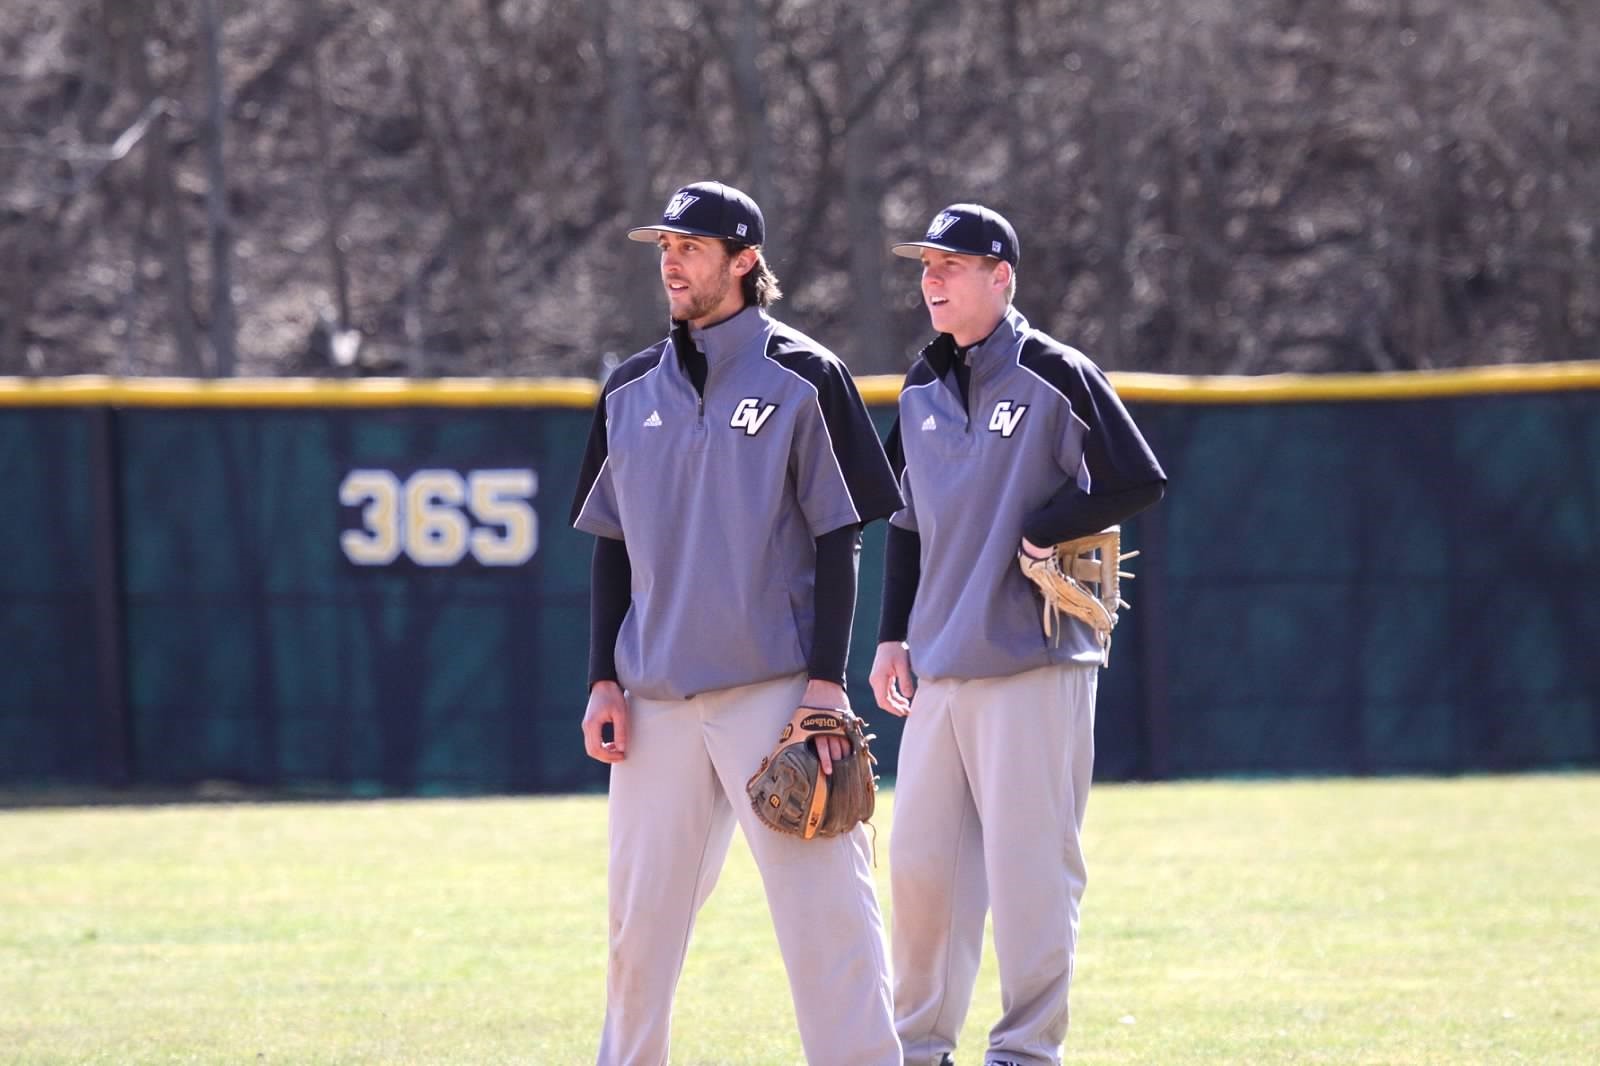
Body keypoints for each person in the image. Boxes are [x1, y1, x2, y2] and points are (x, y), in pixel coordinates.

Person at [570, 180, 905, 1066]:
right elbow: (611, 545)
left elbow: (841, 535)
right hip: (654, 698)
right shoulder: (628, 388)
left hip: (774, 696)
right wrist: (602, 677)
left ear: (745, 260)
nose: (672, 262)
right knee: (637, 928)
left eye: (691, 247)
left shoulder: (805, 376)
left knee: (827, 916)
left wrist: (826, 684)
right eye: (665, 247)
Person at [869, 203, 1167, 1066]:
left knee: (1033, 871)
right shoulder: (921, 388)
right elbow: (905, 522)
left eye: (950, 266)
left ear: (1001, 277)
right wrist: (891, 637)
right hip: (940, 665)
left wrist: (1049, 525)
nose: (931, 281)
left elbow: (1137, 477)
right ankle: (920, 1047)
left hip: (1035, 659)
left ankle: (1026, 1051)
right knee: (923, 872)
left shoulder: (1055, 373)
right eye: (925, 267)